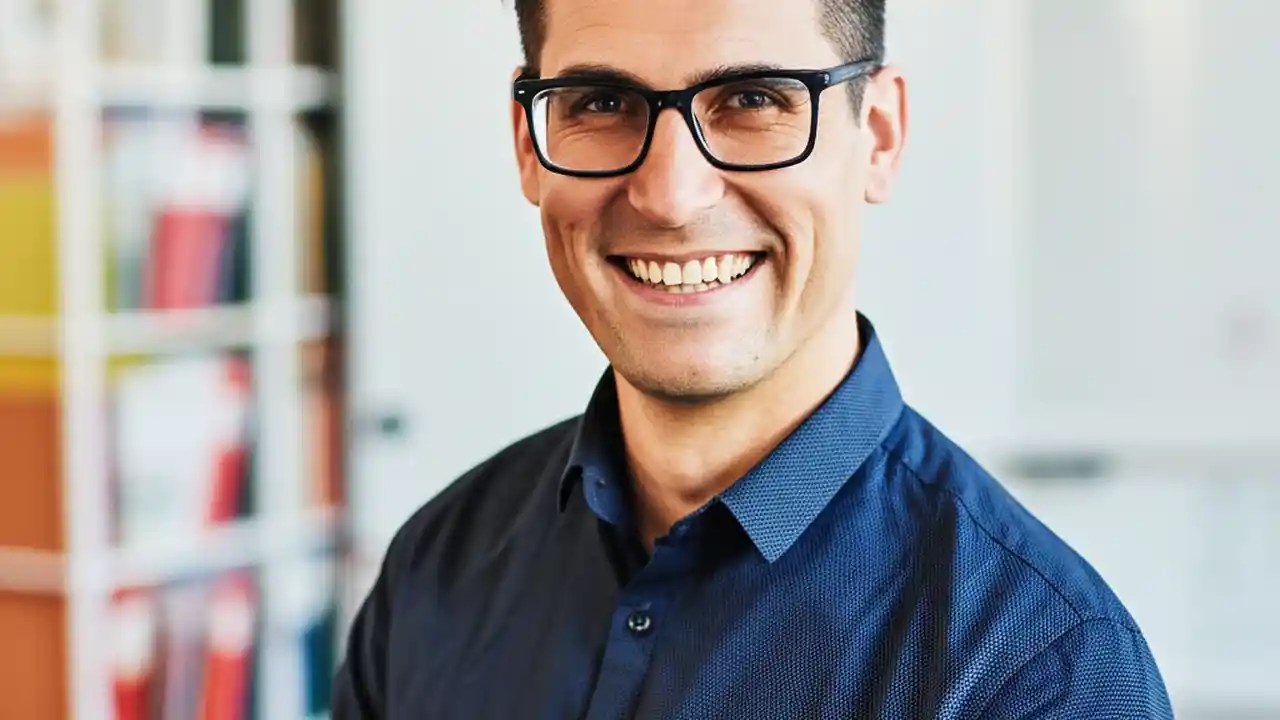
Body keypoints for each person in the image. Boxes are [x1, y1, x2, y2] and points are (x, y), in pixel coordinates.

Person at [334, 0, 1173, 717]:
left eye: (753, 98)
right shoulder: (434, 570)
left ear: (877, 136)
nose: (670, 195)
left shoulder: (1040, 671)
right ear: (528, 142)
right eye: (601, 101)